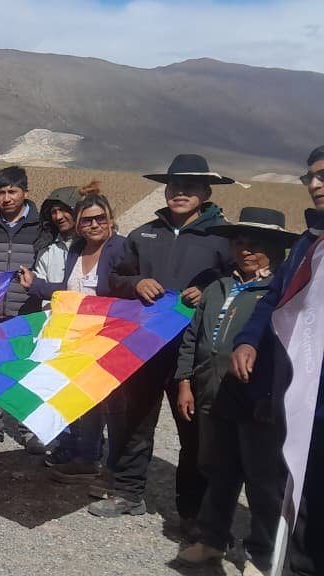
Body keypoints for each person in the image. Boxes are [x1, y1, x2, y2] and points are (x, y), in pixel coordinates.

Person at [91, 153, 232, 524]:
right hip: (146, 348)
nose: (180, 192)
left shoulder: (222, 239)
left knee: (195, 432)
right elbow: (112, 282)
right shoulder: (142, 236)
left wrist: (210, 290)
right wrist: (136, 282)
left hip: (195, 352)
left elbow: (237, 285)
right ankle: (128, 492)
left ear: (205, 191)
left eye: (189, 186)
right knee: (133, 422)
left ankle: (193, 511)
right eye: (174, 186)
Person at [172, 208, 295, 574]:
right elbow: (193, 339)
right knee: (219, 472)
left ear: (276, 250)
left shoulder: (282, 294)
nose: (245, 250)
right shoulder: (218, 287)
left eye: (256, 244)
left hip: (259, 403)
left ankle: (261, 553)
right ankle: (211, 540)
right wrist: (184, 383)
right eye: (239, 242)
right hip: (216, 397)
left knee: (262, 481)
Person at [229, 145, 324, 575]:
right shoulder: (309, 243)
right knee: (298, 482)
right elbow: (275, 299)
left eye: (323, 176)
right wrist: (248, 340)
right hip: (302, 386)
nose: (315, 185)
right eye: (310, 178)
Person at [20, 190, 126, 485]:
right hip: (76, 336)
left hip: (106, 337)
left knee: (103, 402)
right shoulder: (76, 250)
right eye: (87, 220)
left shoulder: (120, 248)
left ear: (110, 219)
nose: (93, 225)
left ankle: (106, 466)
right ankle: (81, 456)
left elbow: (129, 288)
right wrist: (36, 285)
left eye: (99, 219)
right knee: (77, 396)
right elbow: (68, 291)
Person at [0, 166, 52, 451]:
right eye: (1, 192)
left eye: (12, 191)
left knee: (27, 372)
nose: (6, 198)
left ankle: (30, 430)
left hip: (27, 312)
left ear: (25, 192)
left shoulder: (42, 229)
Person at [33, 183, 86, 304]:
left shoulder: (94, 246)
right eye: (54, 212)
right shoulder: (47, 250)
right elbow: (40, 285)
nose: (58, 217)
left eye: (63, 210)